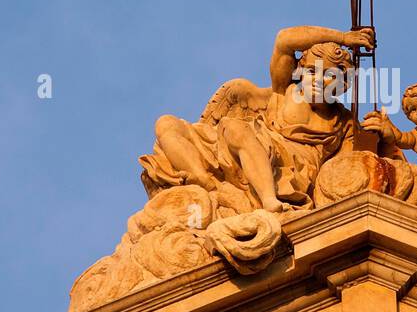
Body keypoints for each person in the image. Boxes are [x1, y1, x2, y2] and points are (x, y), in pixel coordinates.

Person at [140, 25, 379, 212]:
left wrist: (382, 135)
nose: (317, 79)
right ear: (299, 70)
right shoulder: (282, 91)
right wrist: (343, 38)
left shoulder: (343, 121)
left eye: (329, 76)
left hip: (289, 167)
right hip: (247, 148)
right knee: (166, 124)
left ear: (343, 84)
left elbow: (344, 170)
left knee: (235, 128)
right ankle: (207, 183)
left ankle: (268, 201)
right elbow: (284, 40)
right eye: (311, 71)